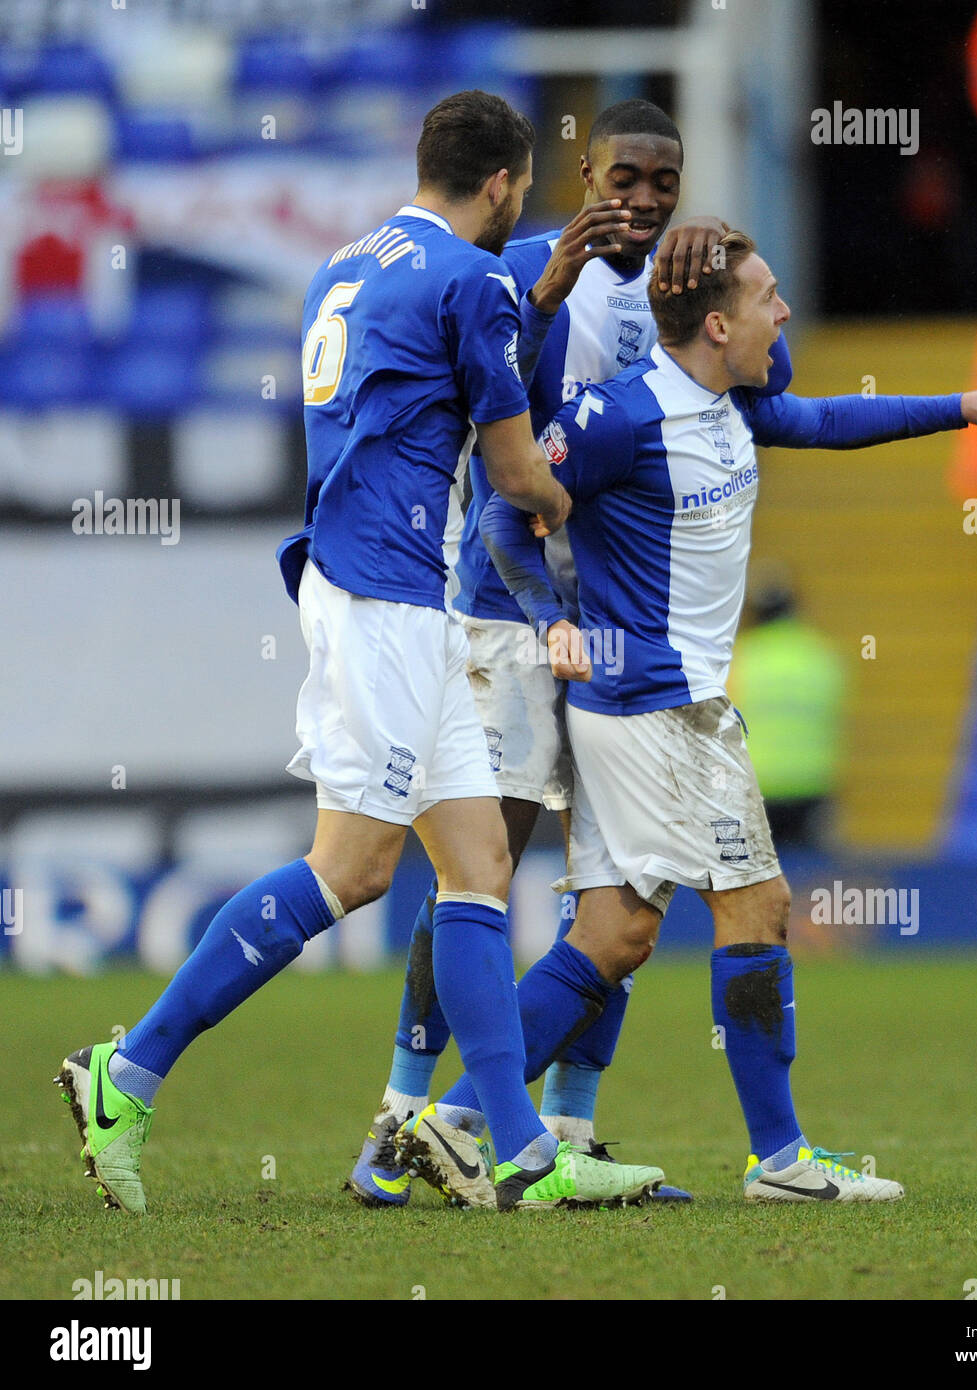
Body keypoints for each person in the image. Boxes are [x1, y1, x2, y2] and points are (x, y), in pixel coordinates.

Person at [53, 90, 663, 1216]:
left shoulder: (346, 262)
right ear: (502, 185)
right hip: (381, 595)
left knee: (478, 864)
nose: (517, 208)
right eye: (520, 192)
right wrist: (609, 488)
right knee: (354, 869)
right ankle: (124, 1072)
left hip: (390, 594)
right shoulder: (474, 278)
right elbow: (518, 470)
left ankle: (521, 1150)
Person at [446, 229, 977, 1204]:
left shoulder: (733, 405)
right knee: (758, 906)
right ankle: (779, 1159)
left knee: (615, 933)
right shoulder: (624, 414)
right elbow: (502, 511)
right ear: (719, 322)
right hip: (659, 710)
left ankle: (454, 1123)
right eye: (769, 297)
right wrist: (554, 620)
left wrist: (960, 409)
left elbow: (826, 420)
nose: (785, 313)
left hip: (665, 708)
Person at [347, 99, 792, 1208]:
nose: (642, 200)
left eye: (665, 183)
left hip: (620, 634)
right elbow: (480, 402)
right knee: (478, 872)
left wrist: (726, 256)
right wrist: (543, 303)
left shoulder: (684, 285)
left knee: (616, 884)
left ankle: (570, 1127)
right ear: (583, 172)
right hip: (508, 612)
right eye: (623, 177)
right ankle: (402, 1117)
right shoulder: (528, 266)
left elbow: (770, 382)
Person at [726, 581, 845, 850]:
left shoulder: (739, 658)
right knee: (806, 877)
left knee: (757, 881)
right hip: (811, 783)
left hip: (753, 788)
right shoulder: (822, 656)